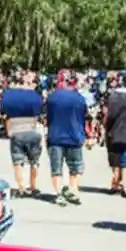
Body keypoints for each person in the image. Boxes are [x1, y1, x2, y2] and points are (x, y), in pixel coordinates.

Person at [46, 76, 87, 206]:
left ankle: (59, 193)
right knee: (76, 167)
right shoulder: (80, 98)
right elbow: (83, 117)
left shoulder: (52, 97)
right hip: (74, 136)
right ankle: (72, 189)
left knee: (56, 168)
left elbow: (48, 116)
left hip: (55, 136)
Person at [0, 74, 43, 196]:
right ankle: (33, 187)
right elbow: (38, 115)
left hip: (16, 132)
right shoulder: (35, 97)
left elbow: (7, 116)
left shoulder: (10, 96)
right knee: (34, 162)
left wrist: (9, 132)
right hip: (32, 131)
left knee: (18, 162)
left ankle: (21, 188)